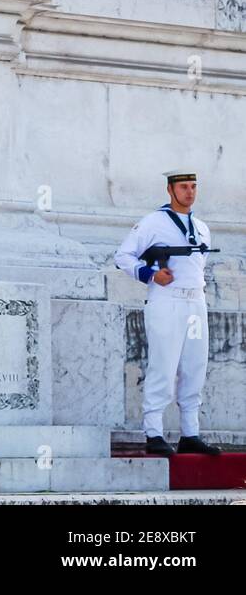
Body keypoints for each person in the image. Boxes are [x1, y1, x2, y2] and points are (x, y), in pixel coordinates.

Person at [114, 169, 222, 457]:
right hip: (167, 300)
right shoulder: (153, 222)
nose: (190, 192)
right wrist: (150, 274)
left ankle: (190, 432)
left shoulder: (201, 227)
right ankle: (154, 432)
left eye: (194, 186)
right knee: (163, 366)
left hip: (195, 301)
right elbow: (123, 256)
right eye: (184, 186)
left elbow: (199, 263)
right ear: (170, 190)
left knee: (195, 367)